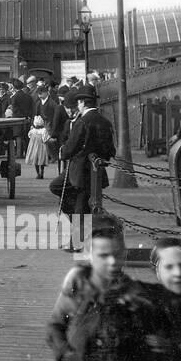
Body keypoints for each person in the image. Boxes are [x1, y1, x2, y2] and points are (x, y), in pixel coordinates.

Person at [46, 225, 170, 361]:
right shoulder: (78, 289)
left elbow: (160, 336)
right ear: (89, 255)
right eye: (104, 256)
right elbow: (55, 326)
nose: (112, 262)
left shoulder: (138, 293)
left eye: (117, 255)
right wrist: (67, 355)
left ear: (125, 253)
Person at [57, 87, 115, 251]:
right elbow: (111, 150)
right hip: (97, 170)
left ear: (82, 102)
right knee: (61, 189)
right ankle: (86, 229)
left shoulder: (82, 122)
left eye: (79, 103)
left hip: (80, 171)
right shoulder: (105, 122)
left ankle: (76, 243)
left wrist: (62, 152)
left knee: (80, 206)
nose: (78, 106)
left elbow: (70, 148)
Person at [25, 115, 50, 179]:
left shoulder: (32, 131)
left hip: (34, 148)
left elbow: (29, 136)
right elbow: (45, 139)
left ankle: (38, 173)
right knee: (41, 161)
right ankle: (42, 173)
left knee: (35, 161)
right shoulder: (44, 130)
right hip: (42, 148)